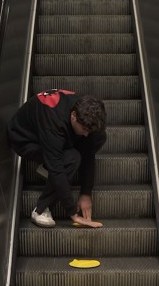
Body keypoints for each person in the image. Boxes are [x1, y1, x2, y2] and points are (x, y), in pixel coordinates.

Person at [8, 89, 107, 228]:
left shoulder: (83, 112)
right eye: (84, 129)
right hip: (25, 138)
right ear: (73, 116)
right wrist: (73, 213)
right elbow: (57, 168)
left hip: (52, 135)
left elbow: (88, 152)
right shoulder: (53, 122)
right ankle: (41, 210)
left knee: (98, 137)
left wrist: (86, 193)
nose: (86, 134)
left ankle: (47, 166)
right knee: (72, 158)